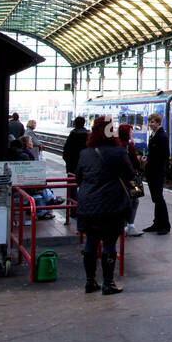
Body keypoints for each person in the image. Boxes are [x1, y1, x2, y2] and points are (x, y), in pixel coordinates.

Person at [74, 115, 135, 294]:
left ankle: (90, 282)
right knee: (109, 244)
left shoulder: (85, 154)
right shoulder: (118, 153)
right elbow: (130, 175)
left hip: (88, 206)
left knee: (90, 243)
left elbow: (78, 178)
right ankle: (108, 283)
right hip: (112, 206)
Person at [143, 112, 170, 234]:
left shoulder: (162, 136)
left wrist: (152, 163)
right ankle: (157, 223)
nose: (150, 124)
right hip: (151, 171)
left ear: (158, 123)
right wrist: (147, 159)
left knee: (159, 198)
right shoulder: (153, 135)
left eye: (152, 122)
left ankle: (165, 225)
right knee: (156, 198)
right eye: (149, 122)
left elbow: (164, 155)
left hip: (157, 172)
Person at [117, 122, 144, 236]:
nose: (132, 133)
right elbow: (135, 163)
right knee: (135, 200)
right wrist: (141, 161)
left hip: (118, 178)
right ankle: (130, 226)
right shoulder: (129, 145)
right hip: (131, 179)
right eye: (131, 132)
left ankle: (122, 226)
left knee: (121, 201)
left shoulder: (116, 144)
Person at [62, 116, 90, 208]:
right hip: (85, 165)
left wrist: (68, 162)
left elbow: (66, 151)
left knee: (72, 186)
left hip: (72, 165)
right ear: (84, 123)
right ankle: (83, 206)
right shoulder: (88, 135)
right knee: (85, 186)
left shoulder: (72, 135)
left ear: (75, 124)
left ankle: (73, 208)